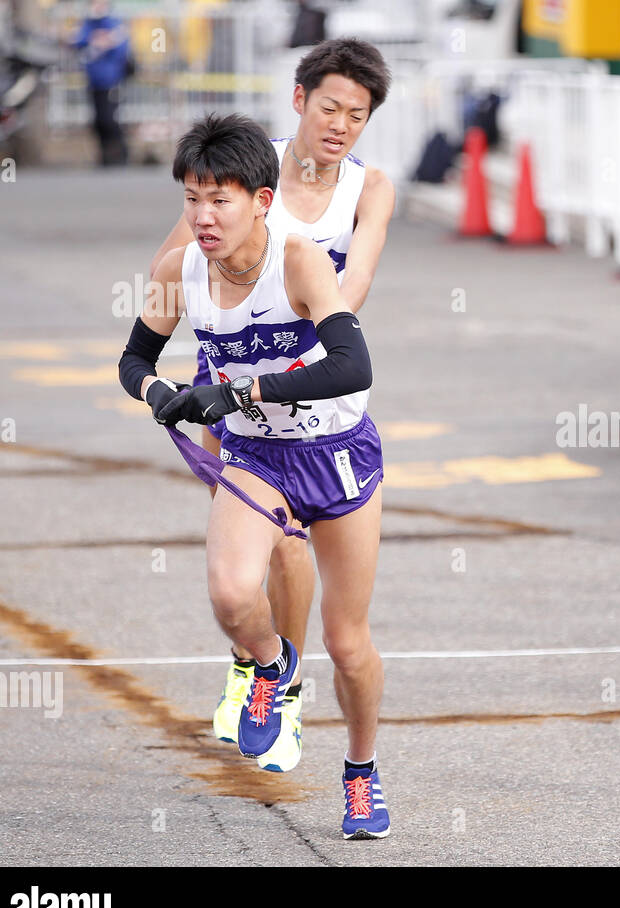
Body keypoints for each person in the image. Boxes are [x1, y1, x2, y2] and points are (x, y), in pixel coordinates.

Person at [120, 114, 390, 839]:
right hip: (256, 456)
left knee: (350, 643)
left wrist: (242, 392)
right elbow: (134, 361)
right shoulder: (182, 269)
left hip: (336, 450)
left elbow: (352, 365)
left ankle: (361, 774)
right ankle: (273, 669)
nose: (203, 217)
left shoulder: (298, 261)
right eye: (191, 199)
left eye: (221, 200)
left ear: (262, 202)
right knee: (234, 594)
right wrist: (162, 397)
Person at [71, 0, 129, 167]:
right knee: (98, 121)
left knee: (109, 119)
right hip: (93, 82)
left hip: (111, 81)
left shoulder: (114, 23)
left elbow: (121, 47)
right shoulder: (88, 24)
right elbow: (77, 41)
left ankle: (121, 154)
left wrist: (106, 41)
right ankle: (105, 156)